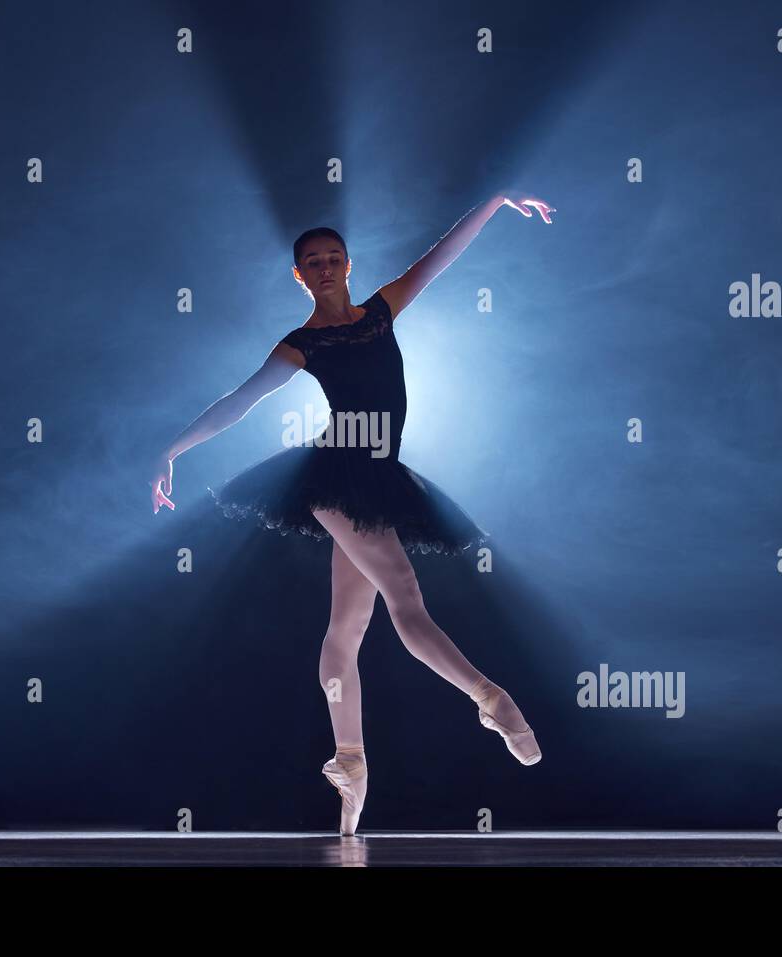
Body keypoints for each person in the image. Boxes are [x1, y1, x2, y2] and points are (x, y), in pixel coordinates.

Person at [149, 193, 554, 836]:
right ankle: (490, 698)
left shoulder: (382, 309)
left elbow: (439, 258)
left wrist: (495, 204)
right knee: (405, 600)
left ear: (348, 263)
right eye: (313, 261)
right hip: (337, 475)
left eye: (334, 257)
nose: (326, 266)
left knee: (345, 629)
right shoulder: (301, 343)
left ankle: (351, 763)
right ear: (299, 276)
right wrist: (173, 449)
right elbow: (240, 401)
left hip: (380, 475)